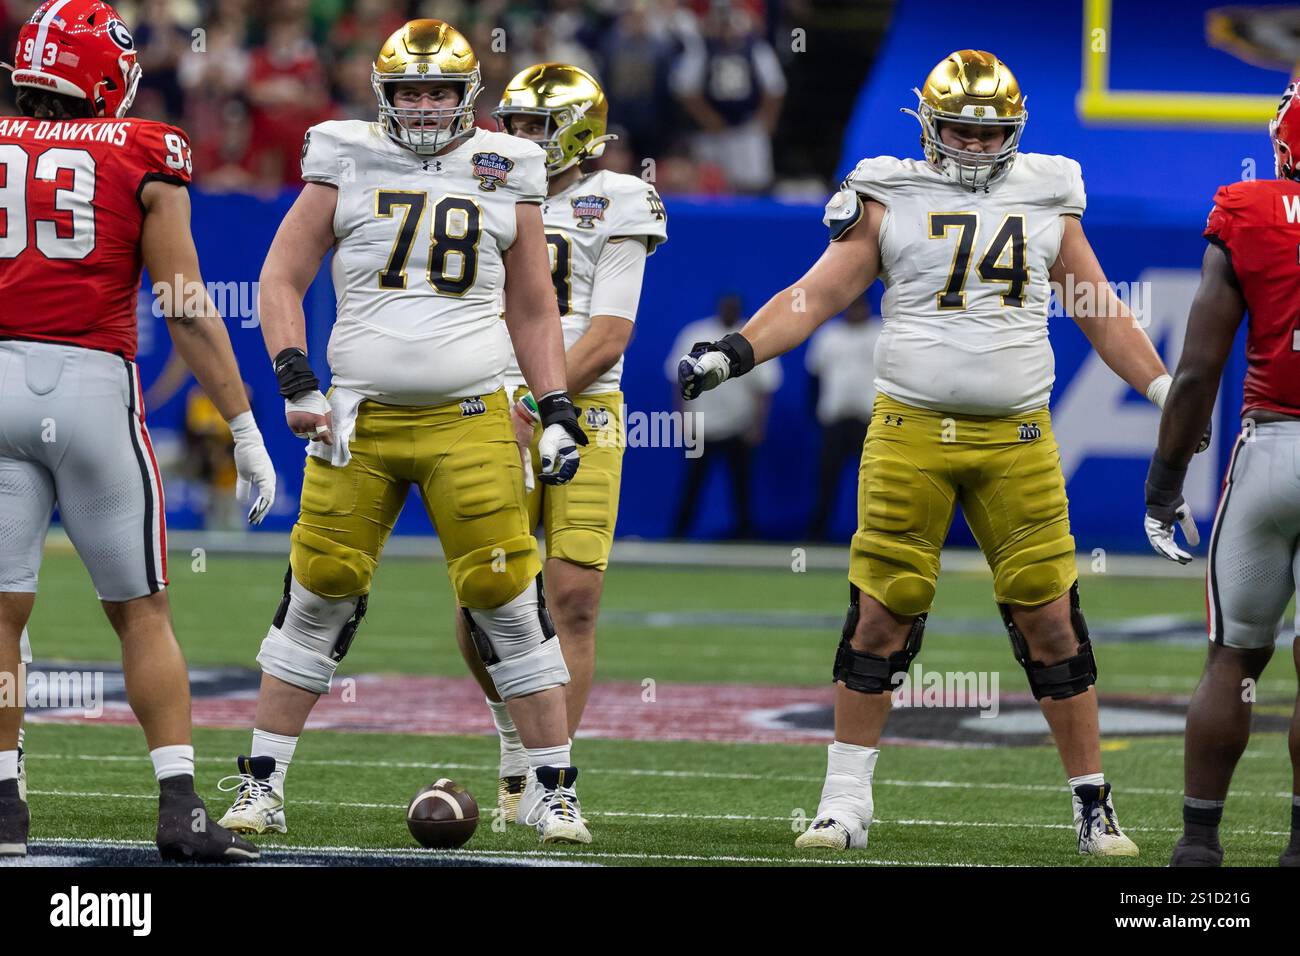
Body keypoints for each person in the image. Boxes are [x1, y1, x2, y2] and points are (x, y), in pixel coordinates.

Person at [679, 50, 1182, 857]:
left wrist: (1164, 392)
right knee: (881, 612)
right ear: (929, 127)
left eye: (991, 136)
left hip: (1016, 436)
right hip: (910, 430)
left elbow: (1099, 309)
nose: (977, 150)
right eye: (961, 132)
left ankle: (1093, 803)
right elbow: (818, 293)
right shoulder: (889, 189)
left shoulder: (1050, 187)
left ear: (1014, 134)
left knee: (1052, 620)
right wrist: (735, 351)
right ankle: (845, 802)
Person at [215, 20, 593, 846]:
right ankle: (261, 784)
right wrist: (294, 375)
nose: (424, 108)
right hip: (360, 416)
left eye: (440, 92)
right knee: (319, 590)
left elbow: (533, 307)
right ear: (383, 96)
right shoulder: (343, 154)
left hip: (471, 414)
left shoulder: (510, 164)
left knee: (507, 602)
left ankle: (552, 788)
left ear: (469, 98)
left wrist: (557, 405)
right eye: (410, 92)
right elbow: (280, 276)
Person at [0, 0, 276, 862]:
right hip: (89, 385)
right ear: (107, 77)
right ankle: (179, 808)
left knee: (3, 616)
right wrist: (242, 423)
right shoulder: (145, 150)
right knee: (142, 611)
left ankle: (4, 803)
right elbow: (185, 306)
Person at [452, 62, 667, 823]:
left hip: (586, 410)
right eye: (512, 122)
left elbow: (608, 335)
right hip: (486, 403)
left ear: (576, 132)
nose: (517, 137)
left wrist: (543, 403)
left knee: (572, 599)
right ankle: (516, 738)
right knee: (486, 597)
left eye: (535, 126)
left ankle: (554, 786)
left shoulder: (620, 198)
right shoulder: (477, 186)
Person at [1145, 78, 1300, 868]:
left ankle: (1199, 843)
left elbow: (1198, 371)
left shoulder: (1247, 210)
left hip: (1273, 449)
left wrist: (1166, 481)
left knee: (1234, 658)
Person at [667, 294, 781, 538]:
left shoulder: (753, 334)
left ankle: (745, 534)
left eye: (734, 308)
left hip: (738, 426)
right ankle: (678, 535)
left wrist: (757, 425)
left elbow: (764, 388)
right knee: (693, 484)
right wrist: (682, 419)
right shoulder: (696, 333)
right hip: (701, 426)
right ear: (719, 308)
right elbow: (677, 381)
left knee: (741, 485)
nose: (729, 311)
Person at [805, 297, 878, 539]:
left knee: (874, 481)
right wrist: (814, 412)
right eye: (851, 306)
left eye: (860, 306)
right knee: (827, 477)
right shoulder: (828, 335)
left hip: (870, 420)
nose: (856, 311)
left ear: (867, 308)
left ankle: (874, 532)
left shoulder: (881, 332)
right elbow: (814, 377)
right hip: (835, 418)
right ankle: (818, 531)